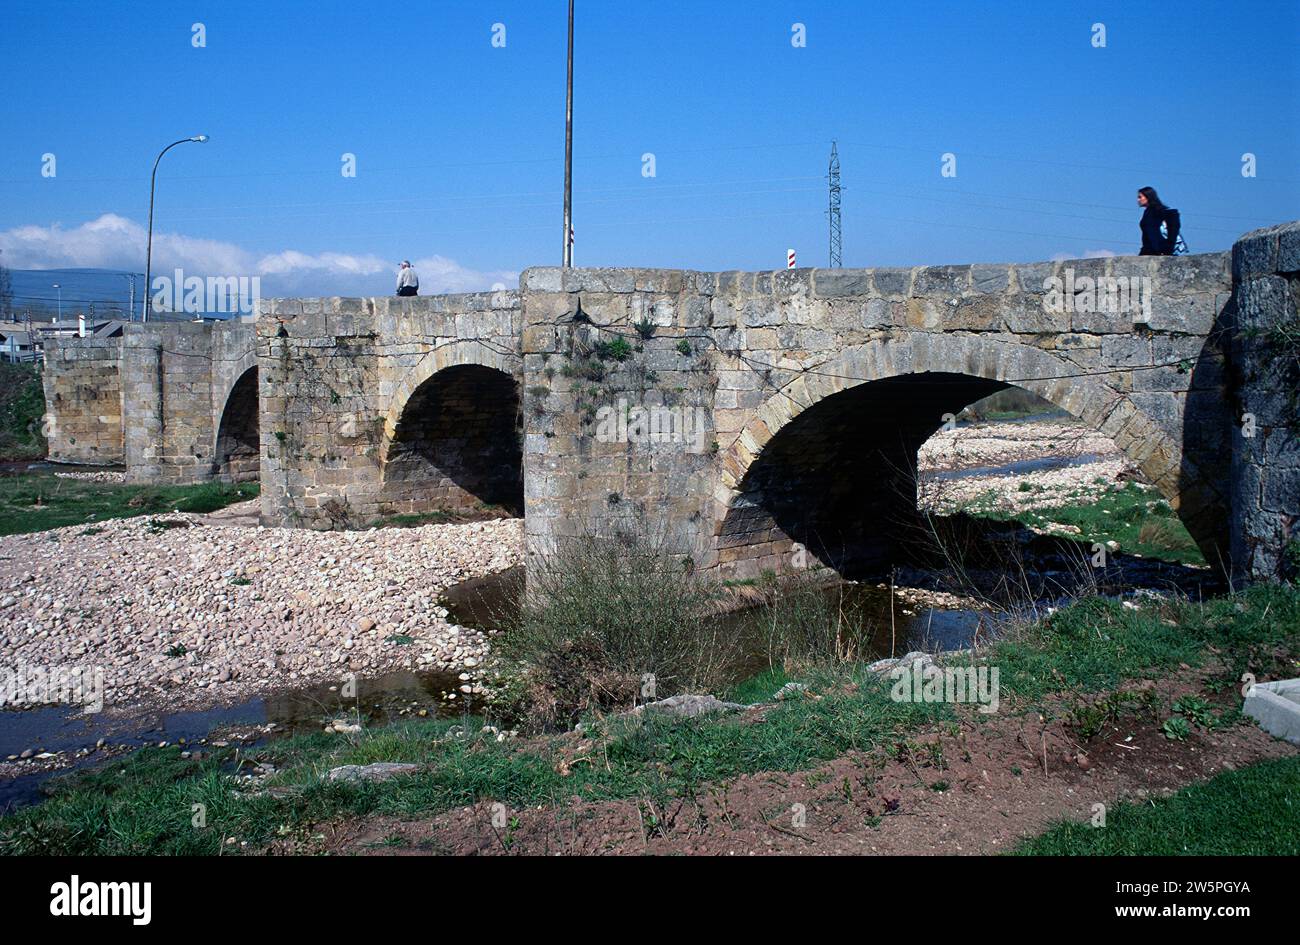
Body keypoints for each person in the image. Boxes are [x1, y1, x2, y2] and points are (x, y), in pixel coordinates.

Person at [1137, 187, 1181, 256]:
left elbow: (1173, 226)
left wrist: (1168, 248)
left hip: (1158, 250)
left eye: (1140, 197)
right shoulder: (1148, 212)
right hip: (1149, 250)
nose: (1138, 200)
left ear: (1148, 197)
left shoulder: (1157, 211)